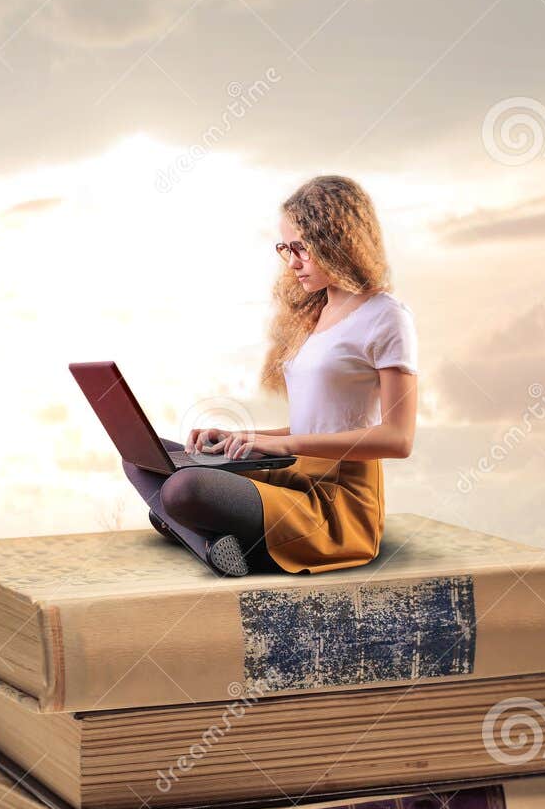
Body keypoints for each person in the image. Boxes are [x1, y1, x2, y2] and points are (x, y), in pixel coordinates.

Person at [123, 174, 418, 577]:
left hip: (336, 500)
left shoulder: (386, 316)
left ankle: (189, 529)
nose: (293, 262)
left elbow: (398, 439)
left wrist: (279, 445)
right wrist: (244, 439)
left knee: (183, 488)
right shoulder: (313, 314)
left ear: (338, 241)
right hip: (290, 471)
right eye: (286, 248)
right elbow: (314, 424)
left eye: (303, 248)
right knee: (145, 457)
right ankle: (207, 541)